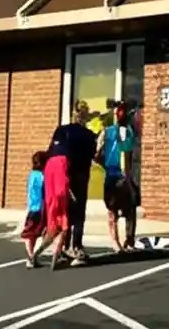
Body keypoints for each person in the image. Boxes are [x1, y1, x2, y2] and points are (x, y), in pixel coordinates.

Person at [96, 102, 139, 252]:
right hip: (113, 175)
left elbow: (133, 153)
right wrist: (106, 164)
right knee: (112, 209)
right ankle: (115, 242)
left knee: (130, 209)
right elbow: (96, 153)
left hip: (126, 177)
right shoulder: (107, 132)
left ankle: (129, 240)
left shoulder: (130, 132)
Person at [34, 118, 76, 270]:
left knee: (52, 227)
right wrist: (70, 192)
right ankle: (55, 256)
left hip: (50, 197)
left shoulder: (49, 160)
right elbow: (64, 179)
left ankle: (36, 254)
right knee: (64, 228)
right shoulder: (64, 158)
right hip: (60, 194)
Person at [62, 100, 98, 264]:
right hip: (81, 176)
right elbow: (92, 156)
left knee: (66, 212)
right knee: (78, 214)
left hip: (65, 176)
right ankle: (76, 246)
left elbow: (54, 154)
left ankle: (64, 245)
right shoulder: (89, 135)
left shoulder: (63, 131)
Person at [20, 151, 48, 268]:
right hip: (41, 208)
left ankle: (31, 254)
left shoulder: (31, 175)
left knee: (30, 233)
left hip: (32, 207)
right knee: (44, 232)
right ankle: (33, 256)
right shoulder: (43, 176)